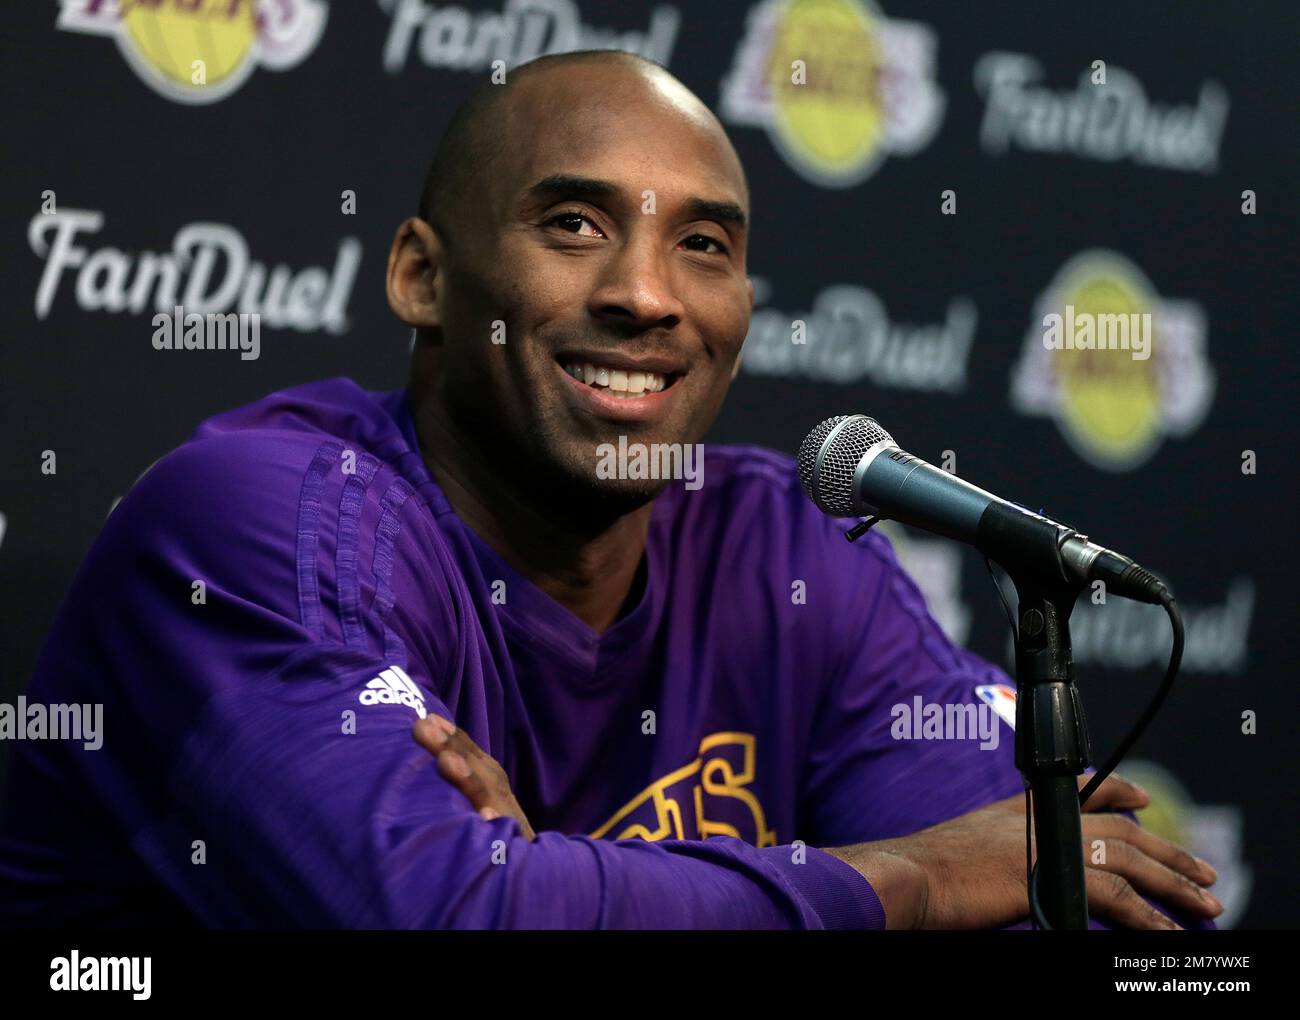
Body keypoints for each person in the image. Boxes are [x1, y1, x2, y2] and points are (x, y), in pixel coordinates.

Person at [0, 51, 1220, 930]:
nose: (648, 293)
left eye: (704, 244)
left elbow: (1072, 897)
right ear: (425, 277)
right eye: (574, 224)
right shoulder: (259, 522)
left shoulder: (787, 550)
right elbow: (442, 916)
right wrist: (907, 882)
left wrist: (553, 879)